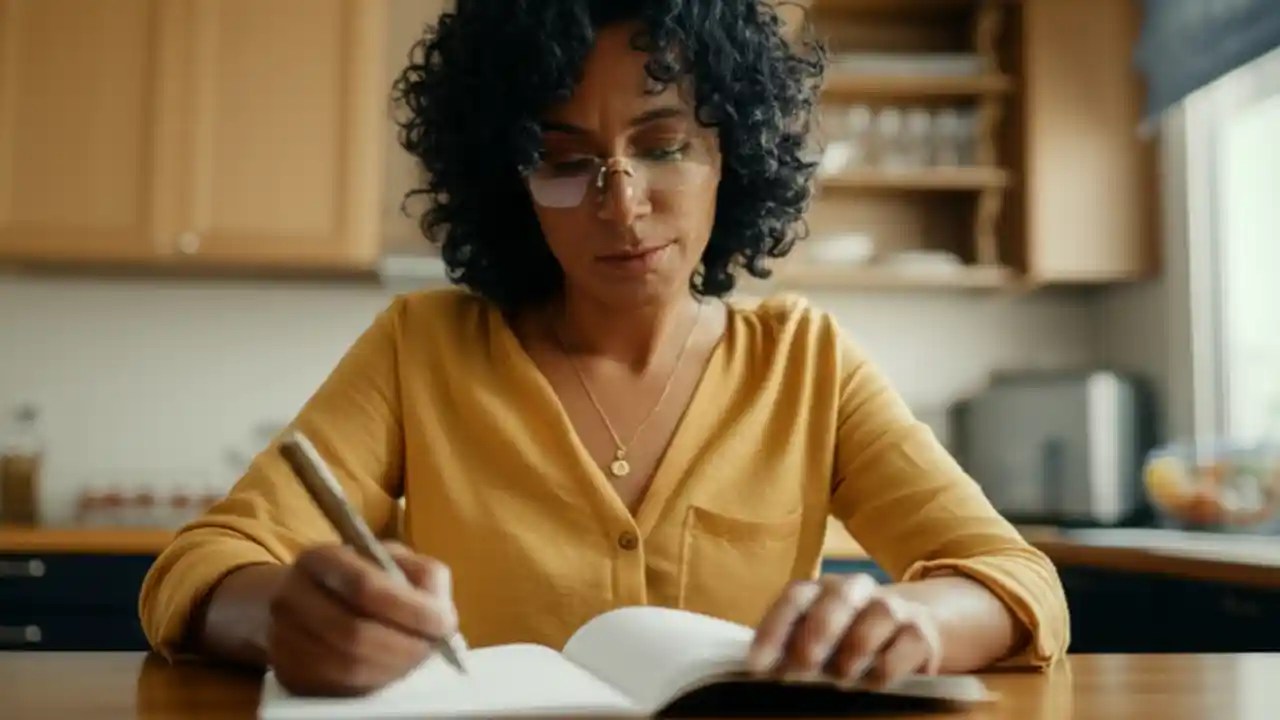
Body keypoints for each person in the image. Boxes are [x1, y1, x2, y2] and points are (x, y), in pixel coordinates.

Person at [138, 0, 1069, 697]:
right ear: (508, 182)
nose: (620, 205)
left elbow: (1021, 581)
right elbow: (202, 563)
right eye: (565, 162)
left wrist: (906, 617)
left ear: (729, 155)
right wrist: (279, 617)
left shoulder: (809, 363)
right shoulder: (419, 349)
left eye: (663, 147)